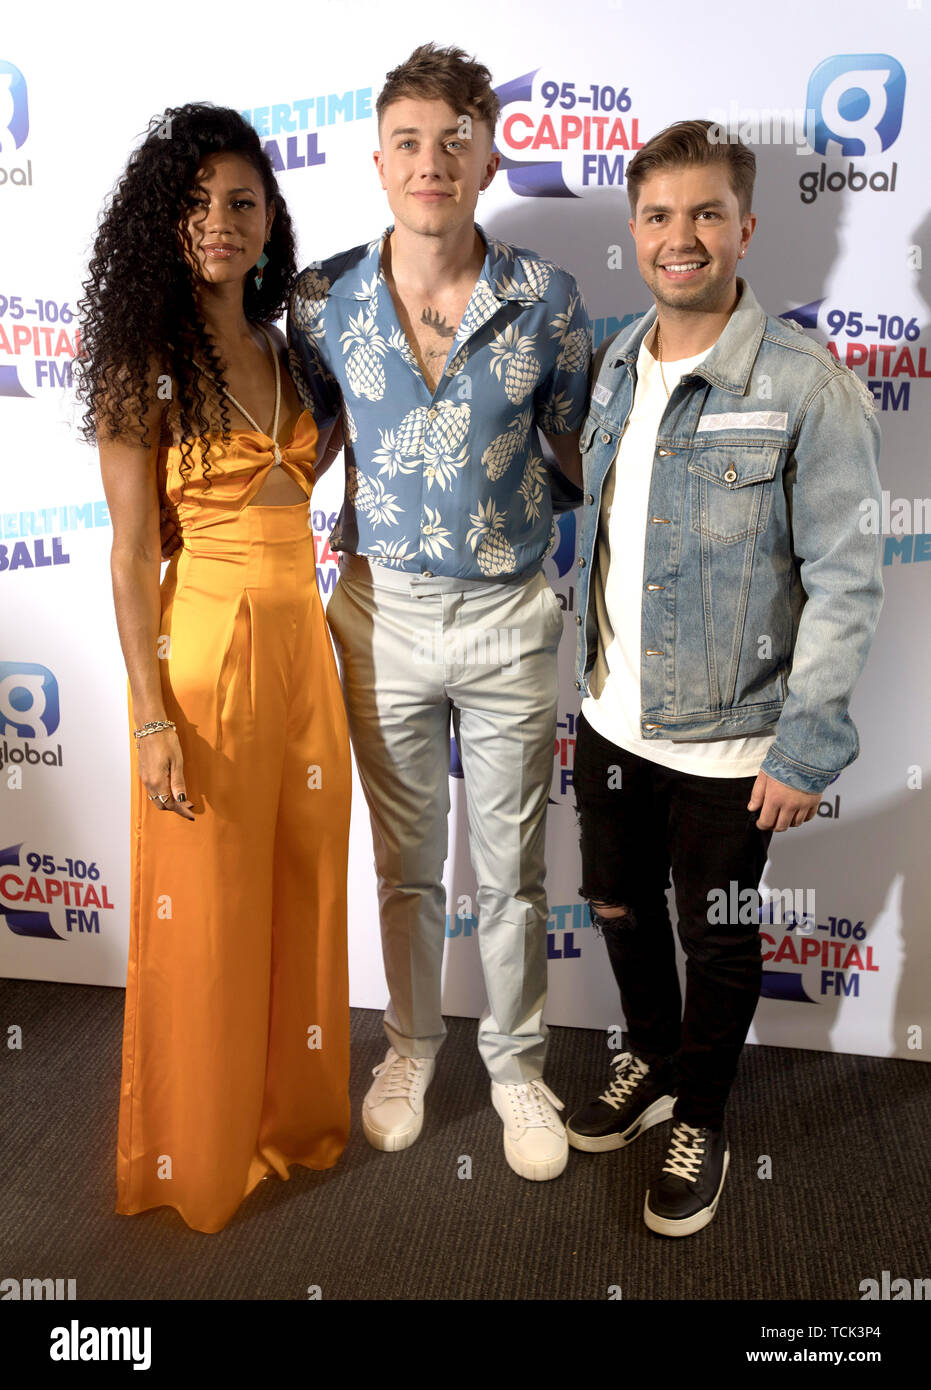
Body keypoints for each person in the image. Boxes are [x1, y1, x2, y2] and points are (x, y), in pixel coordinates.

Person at [567, 120, 883, 1235]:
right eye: (658, 215)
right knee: (615, 906)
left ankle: (700, 1108)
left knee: (718, 937)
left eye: (706, 213)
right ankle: (647, 1055)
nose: (681, 237)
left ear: (745, 228)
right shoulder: (615, 359)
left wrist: (805, 745)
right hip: (611, 721)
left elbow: (847, 580)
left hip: (735, 746)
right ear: (635, 232)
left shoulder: (805, 384)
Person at [288, 44, 592, 1181]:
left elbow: (573, 447)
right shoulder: (321, 300)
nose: (432, 162)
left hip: (509, 615)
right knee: (408, 863)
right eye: (410, 142)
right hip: (377, 613)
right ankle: (408, 1048)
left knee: (509, 868)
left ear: (487, 153)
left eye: (453, 141)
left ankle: (517, 1068)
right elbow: (306, 440)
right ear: (378, 162)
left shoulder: (546, 299)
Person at [78, 104, 351, 1234]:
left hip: (305, 650)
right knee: (212, 904)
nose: (221, 223)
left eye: (242, 201)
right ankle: (197, 1144)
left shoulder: (292, 347)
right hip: (207, 659)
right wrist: (150, 718)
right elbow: (137, 550)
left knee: (303, 888)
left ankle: (287, 1120)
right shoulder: (142, 365)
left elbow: (316, 468)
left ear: (271, 217)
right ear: (162, 223)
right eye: (195, 204)